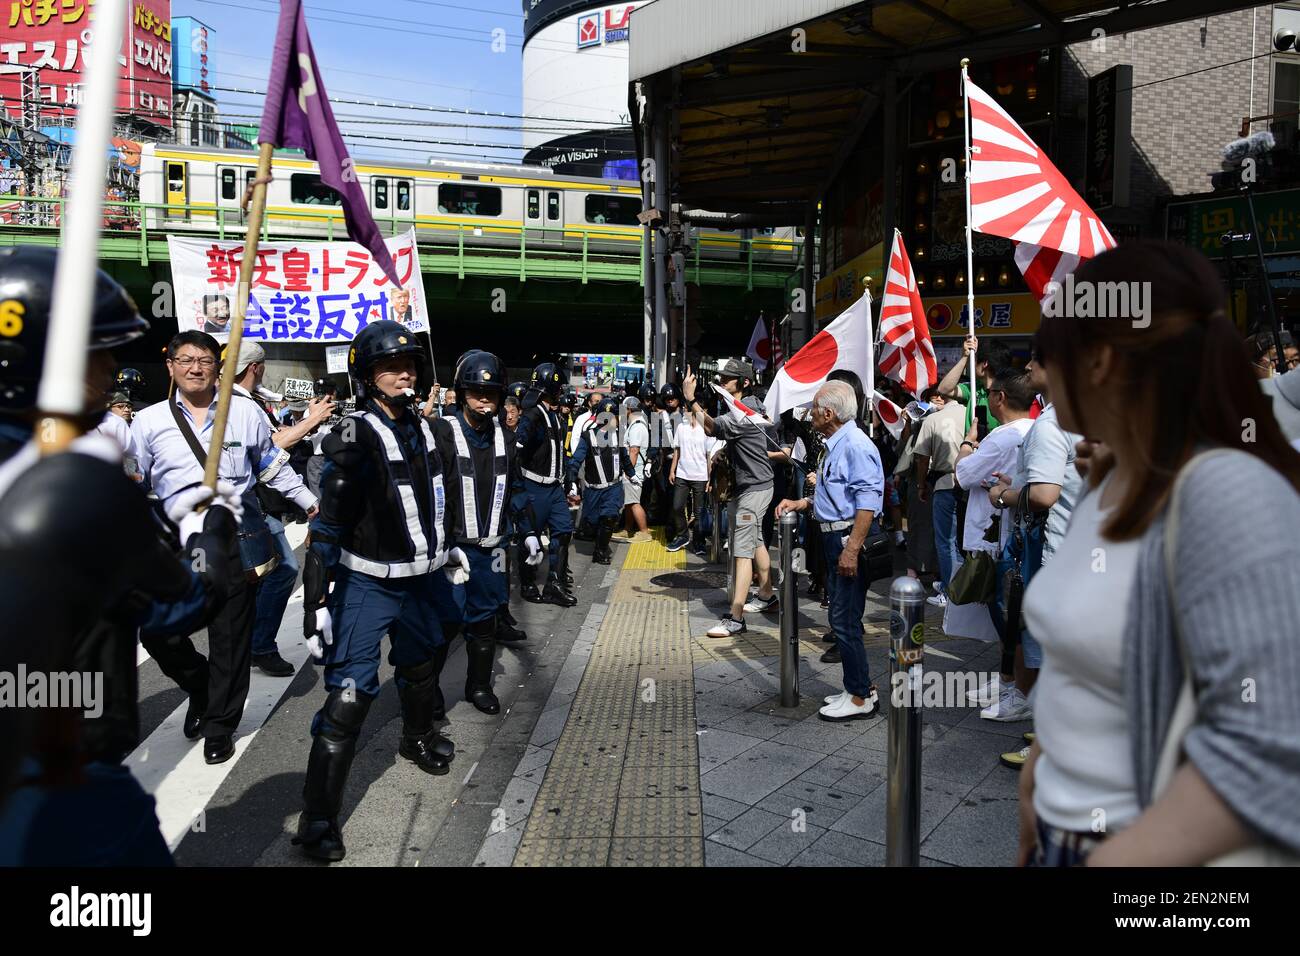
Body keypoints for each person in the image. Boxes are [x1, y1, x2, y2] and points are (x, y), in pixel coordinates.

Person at [1017, 241, 1300, 866]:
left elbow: (1273, 745)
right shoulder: (1110, 479)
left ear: (1098, 361)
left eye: (1049, 352)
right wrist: (1038, 791)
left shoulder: (1229, 492)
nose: (1038, 370)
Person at [0, 247, 242, 865]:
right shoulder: (75, 482)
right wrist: (208, 537)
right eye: (95, 352)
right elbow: (177, 606)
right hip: (62, 771)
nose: (111, 368)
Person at [296, 321, 458, 863]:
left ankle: (414, 737)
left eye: (409, 364)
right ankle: (318, 818)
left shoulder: (428, 428)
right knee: (348, 698)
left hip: (423, 577)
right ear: (367, 377)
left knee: (419, 668)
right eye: (389, 367)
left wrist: (451, 544)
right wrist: (317, 601)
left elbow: (442, 495)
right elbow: (328, 521)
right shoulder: (353, 433)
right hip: (367, 581)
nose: (403, 373)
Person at [132, 330, 318, 765]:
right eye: (186, 360)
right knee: (159, 631)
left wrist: (311, 502)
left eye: (205, 360)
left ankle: (220, 725)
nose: (195, 368)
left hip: (235, 540)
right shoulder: (149, 421)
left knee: (230, 639)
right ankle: (199, 688)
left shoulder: (245, 415)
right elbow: (133, 475)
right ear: (171, 367)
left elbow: (272, 467)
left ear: (218, 367)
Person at [985, 341, 1083, 764]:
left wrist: (1005, 493)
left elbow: (1044, 495)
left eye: (1036, 360)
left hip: (1052, 552)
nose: (1028, 366)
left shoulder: (1051, 423)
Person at [431, 350, 533, 717]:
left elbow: (516, 489)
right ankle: (428, 692)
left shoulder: (505, 437)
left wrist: (529, 531)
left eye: (491, 393)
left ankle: (479, 685)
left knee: (484, 621)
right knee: (443, 623)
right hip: (452, 551)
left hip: (493, 548)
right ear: (460, 393)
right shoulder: (440, 431)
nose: (484, 399)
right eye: (476, 392)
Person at [774, 381, 884, 721]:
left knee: (844, 621)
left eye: (814, 408)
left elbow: (867, 503)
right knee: (841, 617)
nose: (810, 415)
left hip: (846, 539)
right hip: (833, 536)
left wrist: (851, 549)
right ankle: (856, 687)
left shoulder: (854, 444)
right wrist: (804, 501)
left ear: (828, 413)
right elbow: (839, 495)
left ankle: (860, 695)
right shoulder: (837, 443)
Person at [231, 339, 336, 676]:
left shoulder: (246, 401)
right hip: (247, 502)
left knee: (257, 575)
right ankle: (257, 645)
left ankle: (246, 644)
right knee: (282, 570)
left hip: (252, 502)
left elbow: (270, 446)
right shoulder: (237, 404)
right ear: (256, 368)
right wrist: (310, 421)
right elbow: (270, 450)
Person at [954, 367, 1036, 722]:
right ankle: (1008, 681)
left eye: (988, 394)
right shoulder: (1032, 430)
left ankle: (1019, 690)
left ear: (1001, 398)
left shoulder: (1001, 438)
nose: (985, 400)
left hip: (996, 536)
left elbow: (963, 474)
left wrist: (968, 443)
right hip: (1012, 534)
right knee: (1007, 618)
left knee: (1007, 618)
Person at [682, 360, 778, 638]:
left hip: (752, 490)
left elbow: (710, 428)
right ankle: (768, 594)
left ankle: (735, 617)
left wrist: (691, 400)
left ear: (744, 382)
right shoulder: (752, 406)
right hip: (757, 486)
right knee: (756, 539)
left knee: (741, 550)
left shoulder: (742, 412)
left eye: (729, 378)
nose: (722, 381)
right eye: (721, 376)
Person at [514, 362, 578, 607]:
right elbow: (519, 447)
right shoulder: (533, 414)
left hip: (554, 488)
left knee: (563, 533)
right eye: (559, 386)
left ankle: (554, 584)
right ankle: (528, 582)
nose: (562, 391)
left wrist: (568, 481)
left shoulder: (553, 414)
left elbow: (559, 453)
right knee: (530, 535)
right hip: (534, 486)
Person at [911, 386, 966, 607]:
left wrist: (921, 485)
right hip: (972, 483)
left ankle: (949, 589)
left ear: (942, 396)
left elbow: (922, 459)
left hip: (944, 483)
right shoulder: (968, 412)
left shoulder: (932, 420)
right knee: (963, 539)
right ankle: (959, 585)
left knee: (946, 541)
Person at [566, 397, 628, 565]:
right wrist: (571, 477)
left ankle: (600, 551)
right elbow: (576, 459)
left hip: (613, 487)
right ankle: (595, 537)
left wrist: (632, 473)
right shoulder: (588, 437)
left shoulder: (619, 435)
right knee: (592, 522)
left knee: (609, 517)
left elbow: (625, 457)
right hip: (593, 488)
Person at [667, 392, 718, 553]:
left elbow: (709, 455)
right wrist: (672, 469)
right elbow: (677, 450)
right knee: (676, 506)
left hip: (700, 475)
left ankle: (699, 541)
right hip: (682, 473)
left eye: (687, 408)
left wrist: (710, 478)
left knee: (699, 512)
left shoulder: (706, 429)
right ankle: (682, 535)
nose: (684, 410)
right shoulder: (681, 427)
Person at [938, 335, 1012, 433]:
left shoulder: (1008, 393)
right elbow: (943, 389)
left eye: (975, 360)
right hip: (971, 448)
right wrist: (965, 357)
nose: (972, 364)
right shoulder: (974, 388)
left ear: (984, 363)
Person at [615, 395, 652, 542]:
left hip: (634, 471)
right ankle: (627, 529)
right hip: (633, 470)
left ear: (629, 409)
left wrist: (627, 472)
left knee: (634, 503)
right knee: (629, 502)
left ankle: (644, 532)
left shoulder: (637, 426)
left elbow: (634, 451)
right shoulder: (637, 423)